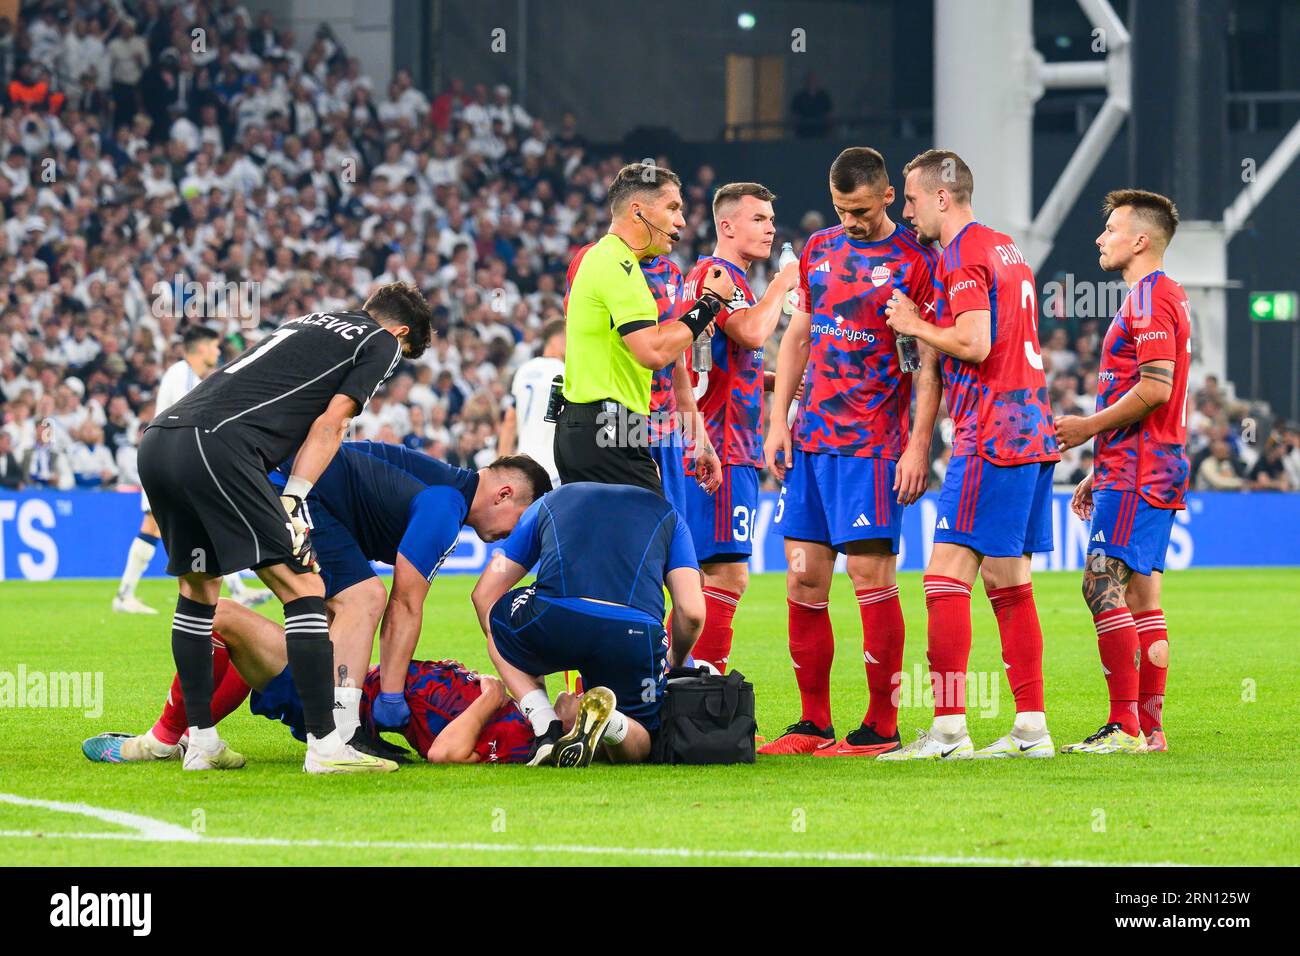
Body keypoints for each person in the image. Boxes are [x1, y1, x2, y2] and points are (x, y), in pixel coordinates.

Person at [85, 440, 548, 762]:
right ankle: (340, 733)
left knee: (310, 617)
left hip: (282, 488)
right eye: (522, 521)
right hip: (289, 494)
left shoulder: (437, 488)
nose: (515, 536)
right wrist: (388, 695)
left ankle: (180, 736)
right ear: (504, 493)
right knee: (363, 598)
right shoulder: (445, 506)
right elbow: (405, 605)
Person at [136, 282, 431, 774]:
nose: (394, 361)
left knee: (198, 589)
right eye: (403, 351)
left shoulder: (307, 321)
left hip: (163, 439)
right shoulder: (377, 340)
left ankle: (202, 744)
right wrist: (293, 496)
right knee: (306, 586)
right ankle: (325, 745)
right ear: (399, 331)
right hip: (219, 448)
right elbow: (333, 423)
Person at [761, 149, 941, 757]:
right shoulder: (818, 248)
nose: (851, 220)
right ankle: (813, 723)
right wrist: (777, 420)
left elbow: (926, 365)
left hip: (872, 446)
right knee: (804, 576)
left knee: (869, 578)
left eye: (860, 210)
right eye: (842, 210)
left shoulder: (918, 261)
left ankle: (881, 727)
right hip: (811, 440)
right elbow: (799, 335)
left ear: (888, 196)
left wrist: (918, 445)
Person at [883, 148, 1059, 760]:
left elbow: (975, 342)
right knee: (1008, 581)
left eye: (910, 198)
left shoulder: (961, 254)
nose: (905, 211)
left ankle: (951, 729)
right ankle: (1031, 730)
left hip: (993, 432)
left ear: (941, 196)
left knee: (942, 580)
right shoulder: (1006, 248)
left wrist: (912, 321)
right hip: (1033, 430)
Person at [1055, 190, 1191, 754]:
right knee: (1143, 597)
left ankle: (1124, 726)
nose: (1099, 238)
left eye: (1110, 229)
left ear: (1140, 240)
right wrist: (1100, 462)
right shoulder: (1167, 296)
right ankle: (1150, 730)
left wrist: (1088, 428)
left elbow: (1156, 388)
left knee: (1098, 583)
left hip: (1139, 469)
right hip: (1143, 465)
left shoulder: (1149, 299)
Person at [83, 599, 536, 766]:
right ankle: (185, 737)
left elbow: (444, 752)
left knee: (217, 616)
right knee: (243, 647)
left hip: (338, 704)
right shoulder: (528, 713)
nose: (579, 694)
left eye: (588, 702)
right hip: (348, 681)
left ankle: (160, 741)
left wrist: (487, 700)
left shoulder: (520, 736)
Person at [470, 481, 706, 767]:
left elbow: (484, 594)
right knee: (643, 733)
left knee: (500, 622)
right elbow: (692, 611)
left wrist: (521, 662)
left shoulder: (549, 501)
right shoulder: (668, 514)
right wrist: (675, 662)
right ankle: (613, 723)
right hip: (634, 636)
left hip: (555, 620)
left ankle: (546, 727)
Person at [554, 162, 733, 493]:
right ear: (638, 212)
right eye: (673, 208)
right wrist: (708, 307)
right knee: (657, 535)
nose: (681, 220)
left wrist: (698, 439)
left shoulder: (667, 273)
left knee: (642, 536)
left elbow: (673, 360)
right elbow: (652, 350)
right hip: (613, 424)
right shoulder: (603, 260)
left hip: (649, 430)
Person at [680, 182, 799, 674]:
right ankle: (697, 685)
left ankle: (674, 682)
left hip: (714, 440)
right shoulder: (718, 275)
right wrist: (782, 283)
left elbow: (733, 365)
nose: (770, 227)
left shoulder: (727, 280)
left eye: (772, 219)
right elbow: (751, 332)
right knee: (726, 574)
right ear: (726, 226)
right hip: (723, 448)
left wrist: (787, 381)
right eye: (758, 219)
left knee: (700, 575)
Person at [113, 325, 271, 614]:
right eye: (214, 346)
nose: (218, 351)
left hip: (168, 459)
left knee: (174, 524)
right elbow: (189, 417)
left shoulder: (187, 375)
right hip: (171, 460)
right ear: (200, 348)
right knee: (203, 521)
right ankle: (125, 595)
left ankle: (126, 594)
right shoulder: (181, 374)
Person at [498, 318, 566, 485]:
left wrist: (500, 467)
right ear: (560, 338)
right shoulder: (564, 372)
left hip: (523, 463)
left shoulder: (524, 370)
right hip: (553, 466)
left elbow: (509, 420)